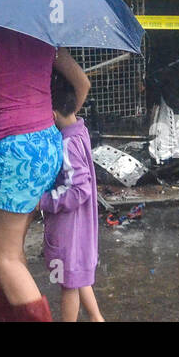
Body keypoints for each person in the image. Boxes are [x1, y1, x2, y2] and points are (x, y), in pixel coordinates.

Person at [0, 21, 90, 321]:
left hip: (14, 152)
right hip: (47, 143)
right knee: (8, 254)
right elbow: (82, 83)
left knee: (5, 257)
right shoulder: (42, 29)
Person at [39, 73, 103, 322]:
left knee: (68, 285)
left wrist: (44, 201)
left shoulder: (66, 144)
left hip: (69, 227)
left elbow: (79, 189)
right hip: (80, 225)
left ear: (52, 115)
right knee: (76, 275)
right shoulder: (80, 131)